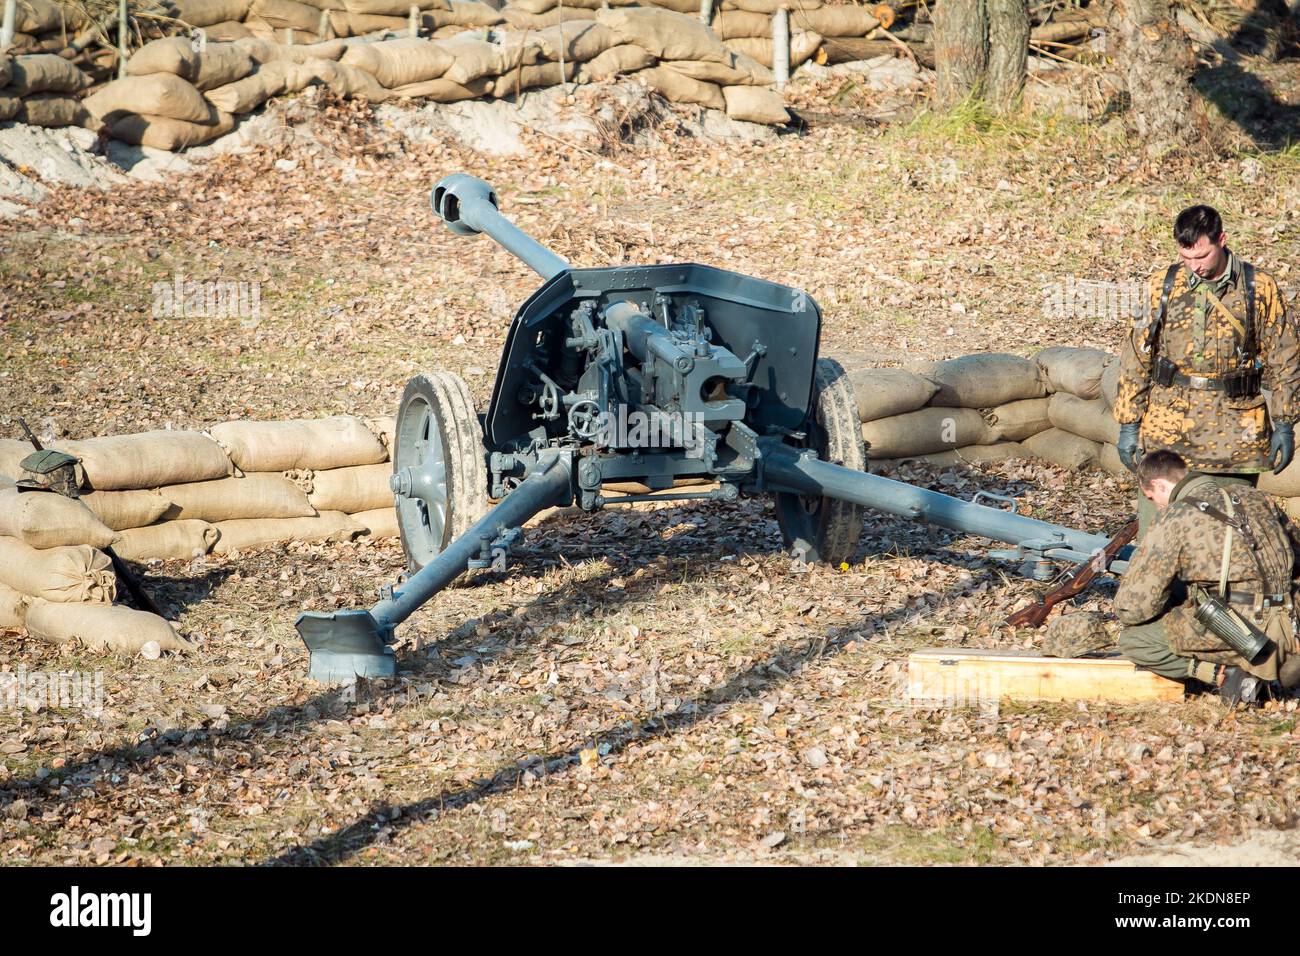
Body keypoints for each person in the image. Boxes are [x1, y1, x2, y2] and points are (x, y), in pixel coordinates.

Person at [1113, 204, 1299, 538]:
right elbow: (1136, 355)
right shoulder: (1162, 286)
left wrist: (1284, 423)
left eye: (1202, 256)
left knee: (1226, 537)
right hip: (1169, 430)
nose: (1194, 267)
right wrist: (1129, 423)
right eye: (1186, 257)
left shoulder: (1259, 288)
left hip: (1234, 436)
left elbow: (1285, 359)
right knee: (1158, 538)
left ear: (1222, 240)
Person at [1115, 450, 1300, 704]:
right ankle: (1283, 659)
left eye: (1152, 497)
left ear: (1159, 484)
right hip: (1292, 619)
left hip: (1242, 629)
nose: (1156, 505)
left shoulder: (1176, 515)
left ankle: (1226, 674)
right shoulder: (1258, 497)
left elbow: (1135, 608)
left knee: (1135, 640)